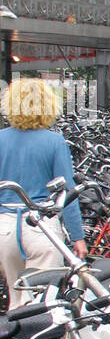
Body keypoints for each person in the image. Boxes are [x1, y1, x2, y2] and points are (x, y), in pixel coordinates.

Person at [0, 78, 87, 310]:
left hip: (5, 227)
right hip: (42, 228)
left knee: (16, 298)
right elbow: (67, 195)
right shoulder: (54, 142)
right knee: (44, 303)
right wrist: (78, 236)